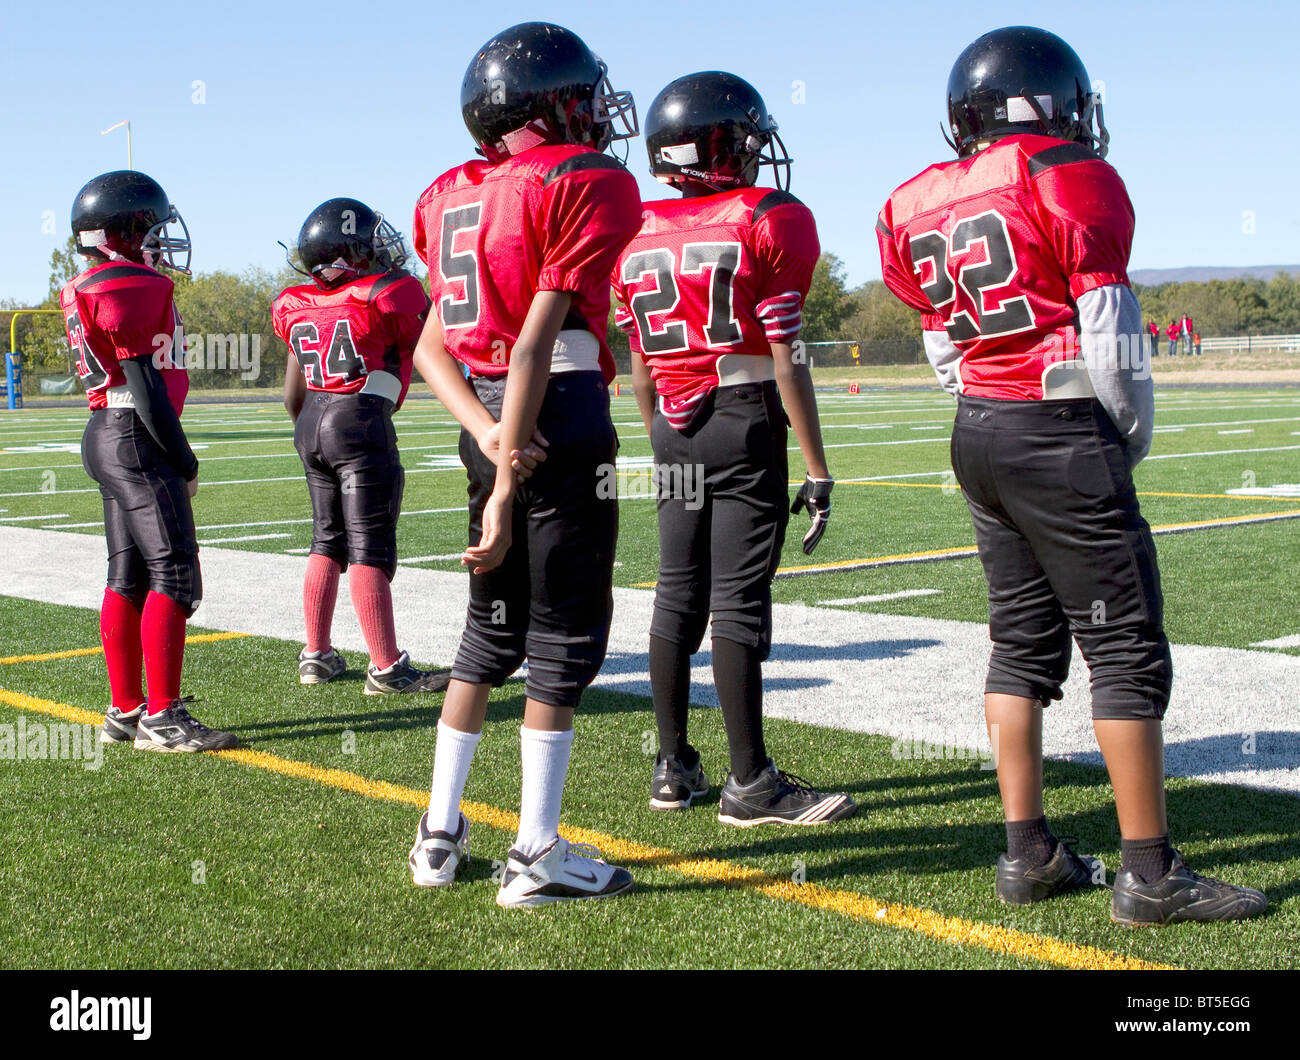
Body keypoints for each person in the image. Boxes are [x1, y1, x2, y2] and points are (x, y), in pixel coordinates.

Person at [876, 26, 1266, 926]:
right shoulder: (1066, 176)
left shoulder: (912, 201)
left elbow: (941, 333)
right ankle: (1149, 874)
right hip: (1058, 426)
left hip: (979, 428)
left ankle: (1027, 854)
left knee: (1019, 642)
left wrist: (983, 403)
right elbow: (1108, 322)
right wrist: (1121, 435)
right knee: (1123, 647)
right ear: (1053, 102)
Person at [406, 22, 642, 906]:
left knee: (486, 634)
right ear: (552, 103)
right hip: (560, 419)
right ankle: (536, 853)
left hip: (492, 422)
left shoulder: (449, 194)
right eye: (579, 96)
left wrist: (489, 438)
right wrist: (511, 473)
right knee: (562, 641)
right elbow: (540, 338)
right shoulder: (585, 181)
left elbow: (432, 349)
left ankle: (439, 832)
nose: (593, 111)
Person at [611, 71, 854, 826]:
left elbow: (642, 367)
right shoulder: (768, 217)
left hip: (670, 426)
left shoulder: (631, 231)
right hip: (742, 416)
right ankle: (750, 782)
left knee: (675, 592)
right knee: (737, 604)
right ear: (724, 147)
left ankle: (672, 764)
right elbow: (787, 356)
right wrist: (816, 467)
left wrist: (660, 438)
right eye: (746, 138)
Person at [60, 170, 236, 753]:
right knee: (175, 573)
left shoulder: (89, 282)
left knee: (127, 574)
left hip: (105, 430)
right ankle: (162, 716)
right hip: (136, 434)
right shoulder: (131, 286)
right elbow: (145, 388)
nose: (160, 239)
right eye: (149, 227)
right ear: (121, 232)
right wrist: (183, 462)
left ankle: (125, 708)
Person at [273, 198, 449, 695]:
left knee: (325, 538)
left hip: (310, 421)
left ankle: (316, 655)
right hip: (359, 420)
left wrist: (314, 432)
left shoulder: (296, 303)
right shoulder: (391, 292)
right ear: (351, 251)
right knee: (368, 545)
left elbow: (292, 393)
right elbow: (438, 348)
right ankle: (387, 666)